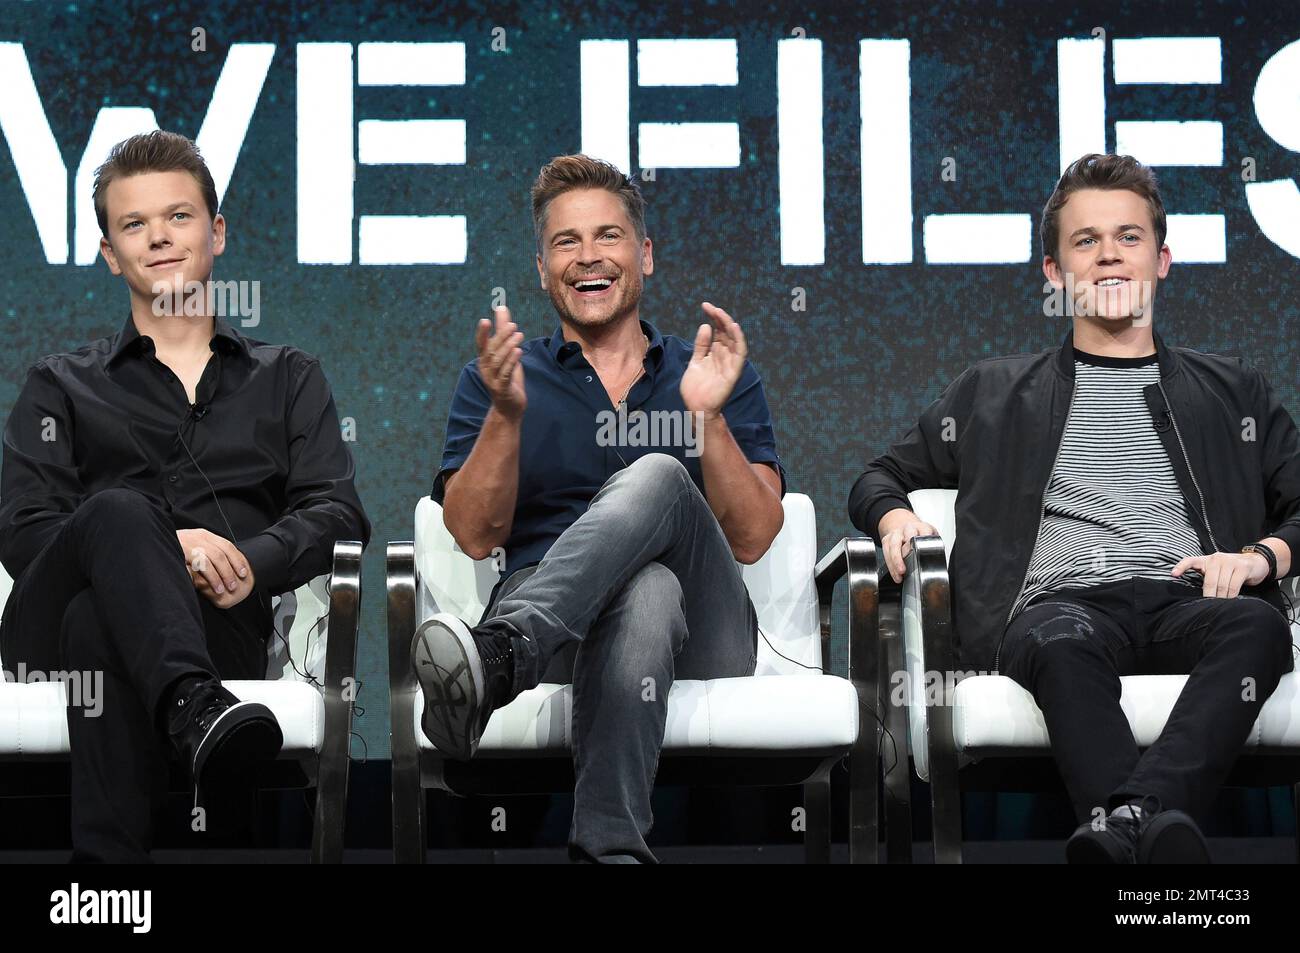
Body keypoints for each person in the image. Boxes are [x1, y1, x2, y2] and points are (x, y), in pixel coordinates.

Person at [849, 153, 1300, 863]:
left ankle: (1123, 824)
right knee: (1064, 647)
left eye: (1129, 237)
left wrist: (1261, 557)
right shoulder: (993, 391)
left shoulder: (1233, 391)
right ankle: (1159, 831)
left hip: (1185, 595)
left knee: (1258, 628)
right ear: (1054, 273)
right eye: (1086, 241)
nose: (1110, 255)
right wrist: (893, 515)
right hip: (1060, 607)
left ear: (1164, 260)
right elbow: (879, 474)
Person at [0, 130, 371, 862]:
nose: (159, 237)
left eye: (178, 216)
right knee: (115, 513)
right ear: (110, 253)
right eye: (134, 224)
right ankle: (195, 707)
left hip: (216, 624)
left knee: (96, 618)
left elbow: (337, 512)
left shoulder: (288, 377)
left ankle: (109, 877)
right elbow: (23, 528)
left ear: (217, 232)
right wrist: (161, 544)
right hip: (39, 641)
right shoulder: (60, 383)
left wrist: (248, 559)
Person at [416, 154, 786, 863]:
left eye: (609, 237)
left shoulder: (704, 370)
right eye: (566, 241)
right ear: (540, 267)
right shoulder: (501, 377)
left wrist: (706, 420)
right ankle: (609, 849)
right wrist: (505, 417)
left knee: (659, 476)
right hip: (564, 632)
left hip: (704, 638)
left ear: (643, 255)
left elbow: (754, 536)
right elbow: (470, 533)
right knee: (645, 589)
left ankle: (501, 652)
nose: (589, 257)